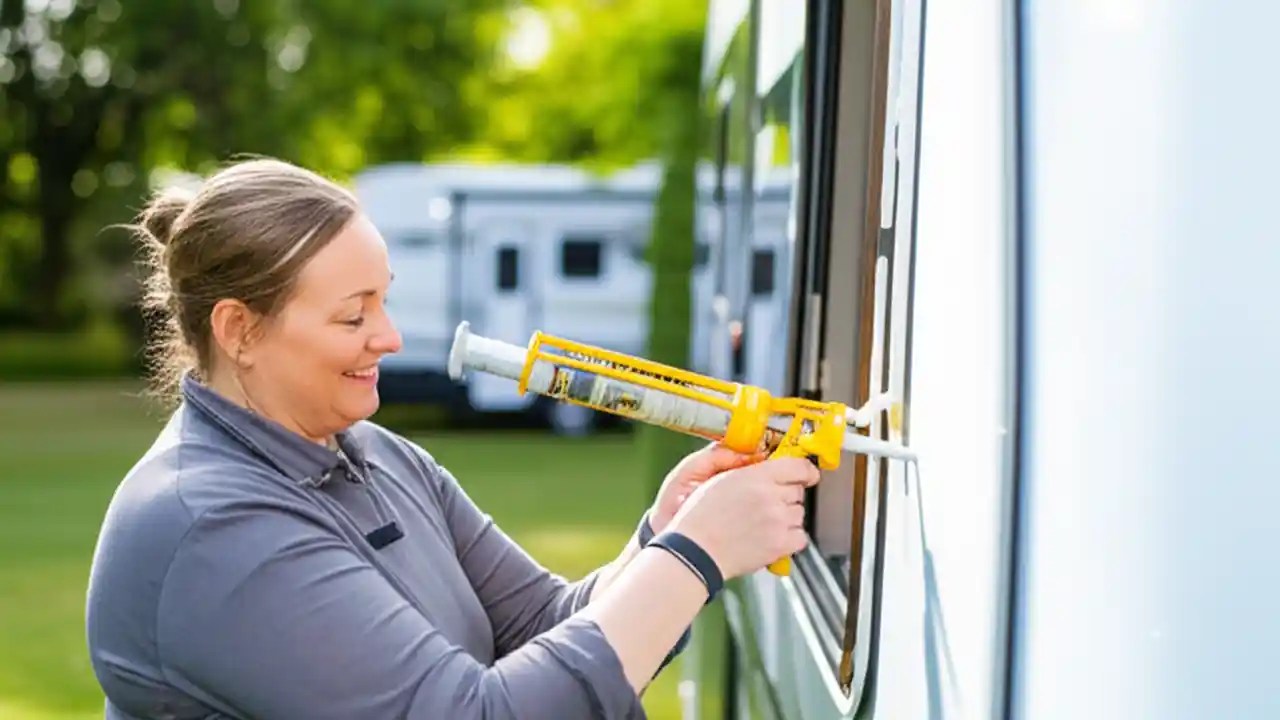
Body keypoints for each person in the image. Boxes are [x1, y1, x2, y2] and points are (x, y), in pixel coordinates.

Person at [84, 158, 819, 720]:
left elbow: (548, 626)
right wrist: (696, 556)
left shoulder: (378, 455)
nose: (391, 337)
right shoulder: (211, 527)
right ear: (240, 330)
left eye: (386, 300)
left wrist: (665, 531)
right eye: (353, 316)